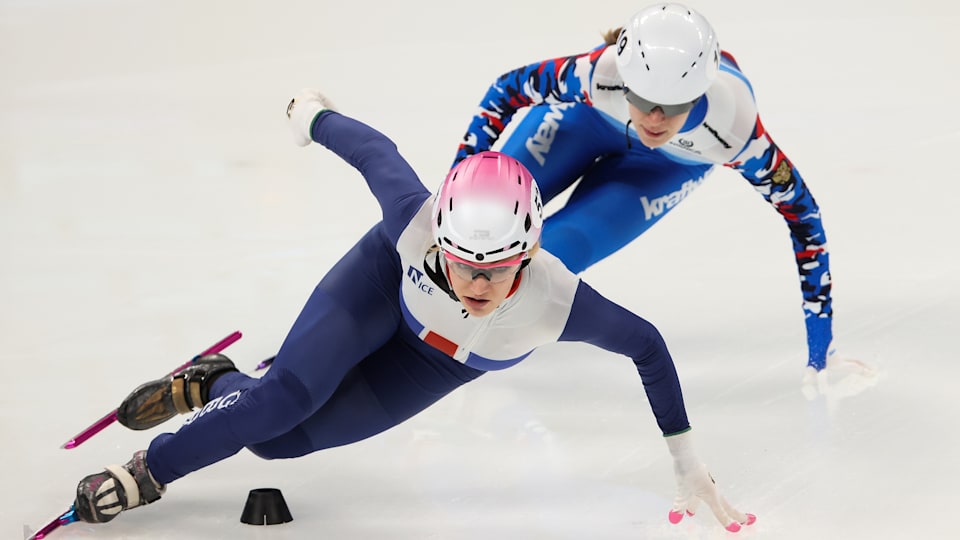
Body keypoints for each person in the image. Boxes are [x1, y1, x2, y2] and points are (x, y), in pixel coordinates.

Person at [70, 89, 755, 533]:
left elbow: (648, 346)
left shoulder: (555, 302)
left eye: (496, 268)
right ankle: (147, 473)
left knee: (272, 441)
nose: (475, 283)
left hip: (433, 364)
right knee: (281, 399)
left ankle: (210, 381)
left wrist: (685, 457)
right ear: (440, 238)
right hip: (377, 288)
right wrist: (311, 115)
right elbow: (376, 154)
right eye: (460, 261)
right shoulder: (416, 223)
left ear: (530, 251)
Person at [453, 2, 852, 382]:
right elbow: (505, 91)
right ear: (626, 79)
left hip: (666, 167)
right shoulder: (598, 73)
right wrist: (454, 194)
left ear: (700, 93)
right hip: (587, 119)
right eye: (642, 99)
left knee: (554, 258)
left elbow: (805, 220)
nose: (655, 119)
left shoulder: (735, 131)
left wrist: (822, 349)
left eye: (675, 104)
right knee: (485, 211)